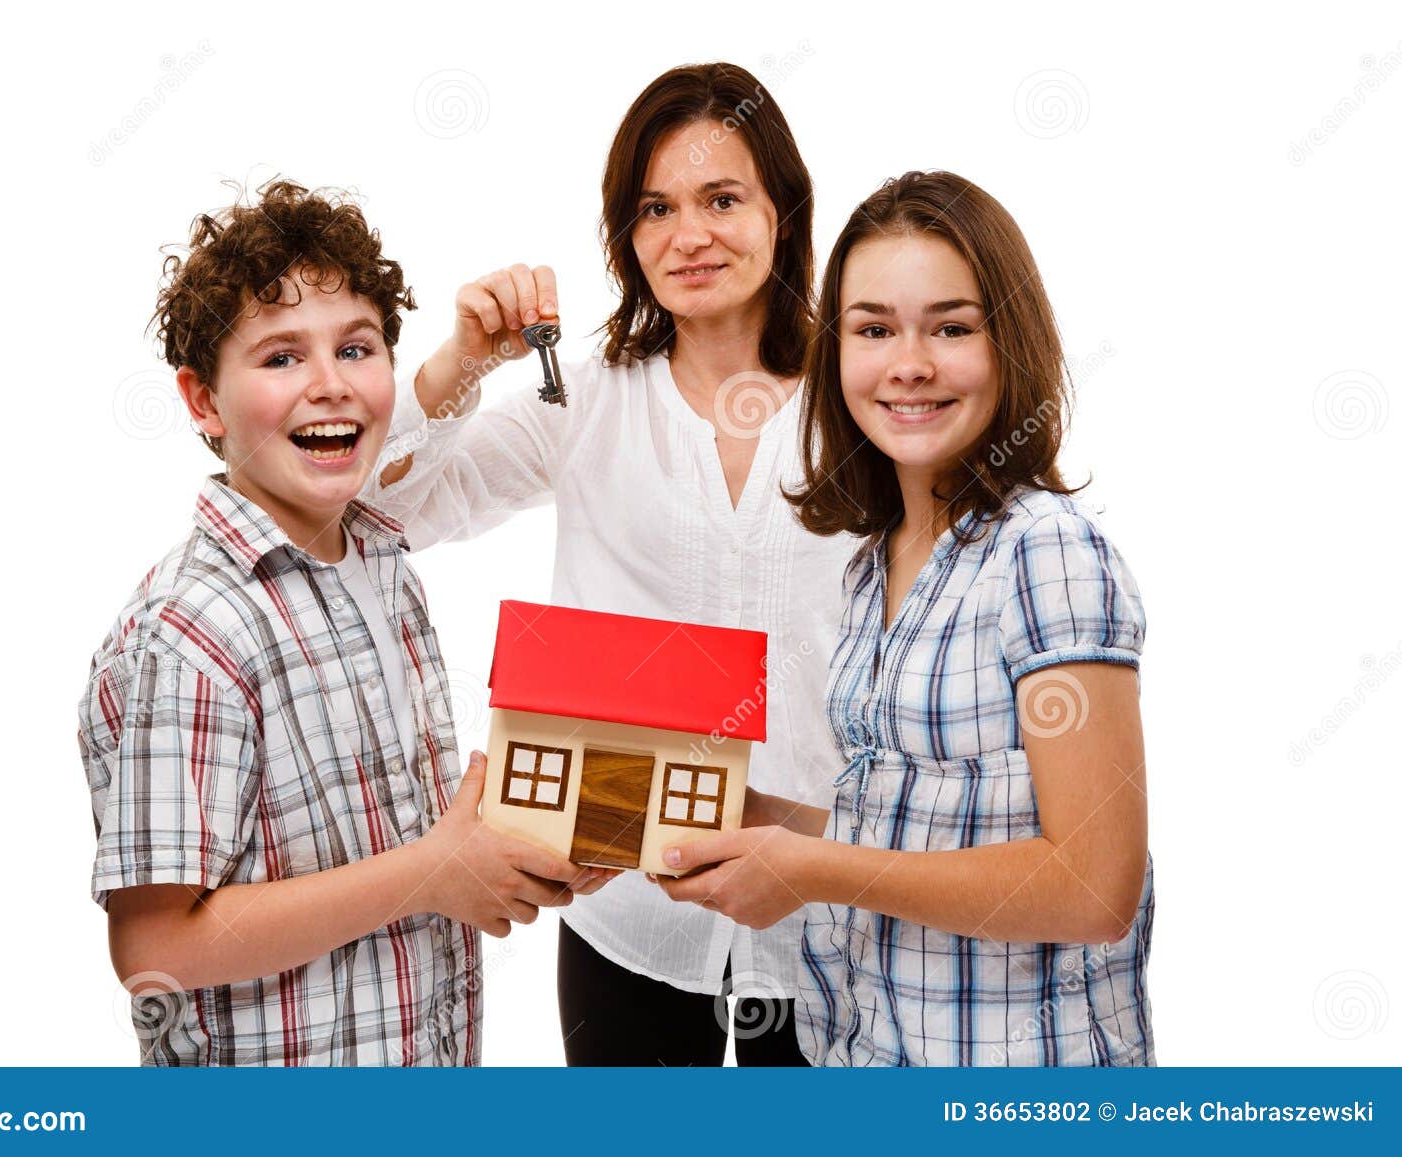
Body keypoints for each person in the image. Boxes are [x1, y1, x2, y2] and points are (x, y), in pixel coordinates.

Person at [365, 64, 854, 1065]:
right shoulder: (581, 402)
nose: (689, 235)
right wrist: (458, 363)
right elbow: (384, 507)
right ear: (624, 237)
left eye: (722, 199)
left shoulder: (863, 406)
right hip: (624, 903)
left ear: (783, 213)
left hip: (820, 904)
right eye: (654, 208)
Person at [76, 180, 604, 1066]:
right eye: (281, 358)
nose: (329, 385)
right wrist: (433, 874)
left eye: (356, 348)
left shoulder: (377, 561)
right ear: (203, 402)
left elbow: (391, 836)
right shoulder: (192, 630)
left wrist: (504, 850)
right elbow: (155, 949)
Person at [658, 170, 1155, 1066]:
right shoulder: (872, 562)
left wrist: (807, 870)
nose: (909, 363)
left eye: (951, 327)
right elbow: (906, 823)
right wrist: (756, 820)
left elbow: (1093, 882)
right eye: (874, 329)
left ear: (1011, 345)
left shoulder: (1046, 552)